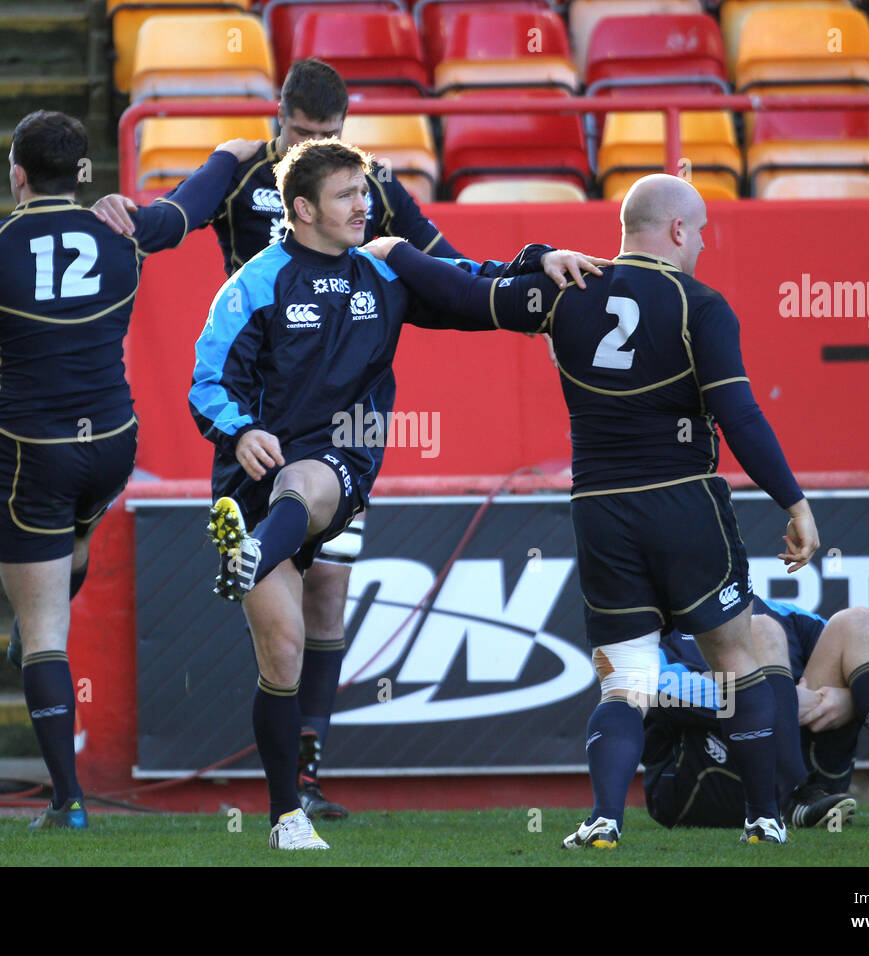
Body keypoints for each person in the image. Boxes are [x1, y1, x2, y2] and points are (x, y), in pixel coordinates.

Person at [362, 173, 828, 848]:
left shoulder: (566, 288)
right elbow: (741, 416)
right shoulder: (701, 303)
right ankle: (763, 819)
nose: (700, 242)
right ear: (675, 230)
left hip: (600, 511)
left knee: (625, 681)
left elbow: (459, 295)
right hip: (683, 501)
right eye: (697, 230)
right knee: (736, 658)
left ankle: (604, 818)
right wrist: (795, 501)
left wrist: (392, 251)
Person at [190, 138, 604, 849]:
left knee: (309, 479)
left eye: (364, 191)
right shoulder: (252, 285)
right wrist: (236, 431)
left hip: (339, 461)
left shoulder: (386, 273)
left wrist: (541, 259)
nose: (364, 205)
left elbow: (477, 285)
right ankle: (287, 816)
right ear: (301, 209)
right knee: (283, 654)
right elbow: (207, 383)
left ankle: (251, 554)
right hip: (250, 477)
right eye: (347, 194)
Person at [93, 58, 477, 821]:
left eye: (331, 134)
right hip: (257, 397)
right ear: (280, 116)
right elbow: (176, 218)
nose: (318, 142)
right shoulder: (240, 163)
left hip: (337, 408)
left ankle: (304, 776)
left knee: (328, 594)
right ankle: (285, 792)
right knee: (284, 625)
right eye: (304, 132)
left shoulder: (359, 181)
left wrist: (518, 280)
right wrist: (130, 215)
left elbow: (443, 263)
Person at [0, 109, 262, 829]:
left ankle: (67, 801)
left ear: (17, 172)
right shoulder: (125, 230)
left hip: (33, 451)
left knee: (47, 634)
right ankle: (50, 591)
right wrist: (234, 150)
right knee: (72, 538)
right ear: (80, 173)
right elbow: (195, 205)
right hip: (114, 442)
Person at [644, 597, 869, 828]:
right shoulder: (655, 627)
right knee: (760, 631)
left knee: (856, 621)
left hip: (814, 782)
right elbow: (658, 693)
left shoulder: (780, 613)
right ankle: (793, 794)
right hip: (702, 788)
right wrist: (773, 699)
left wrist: (849, 700)